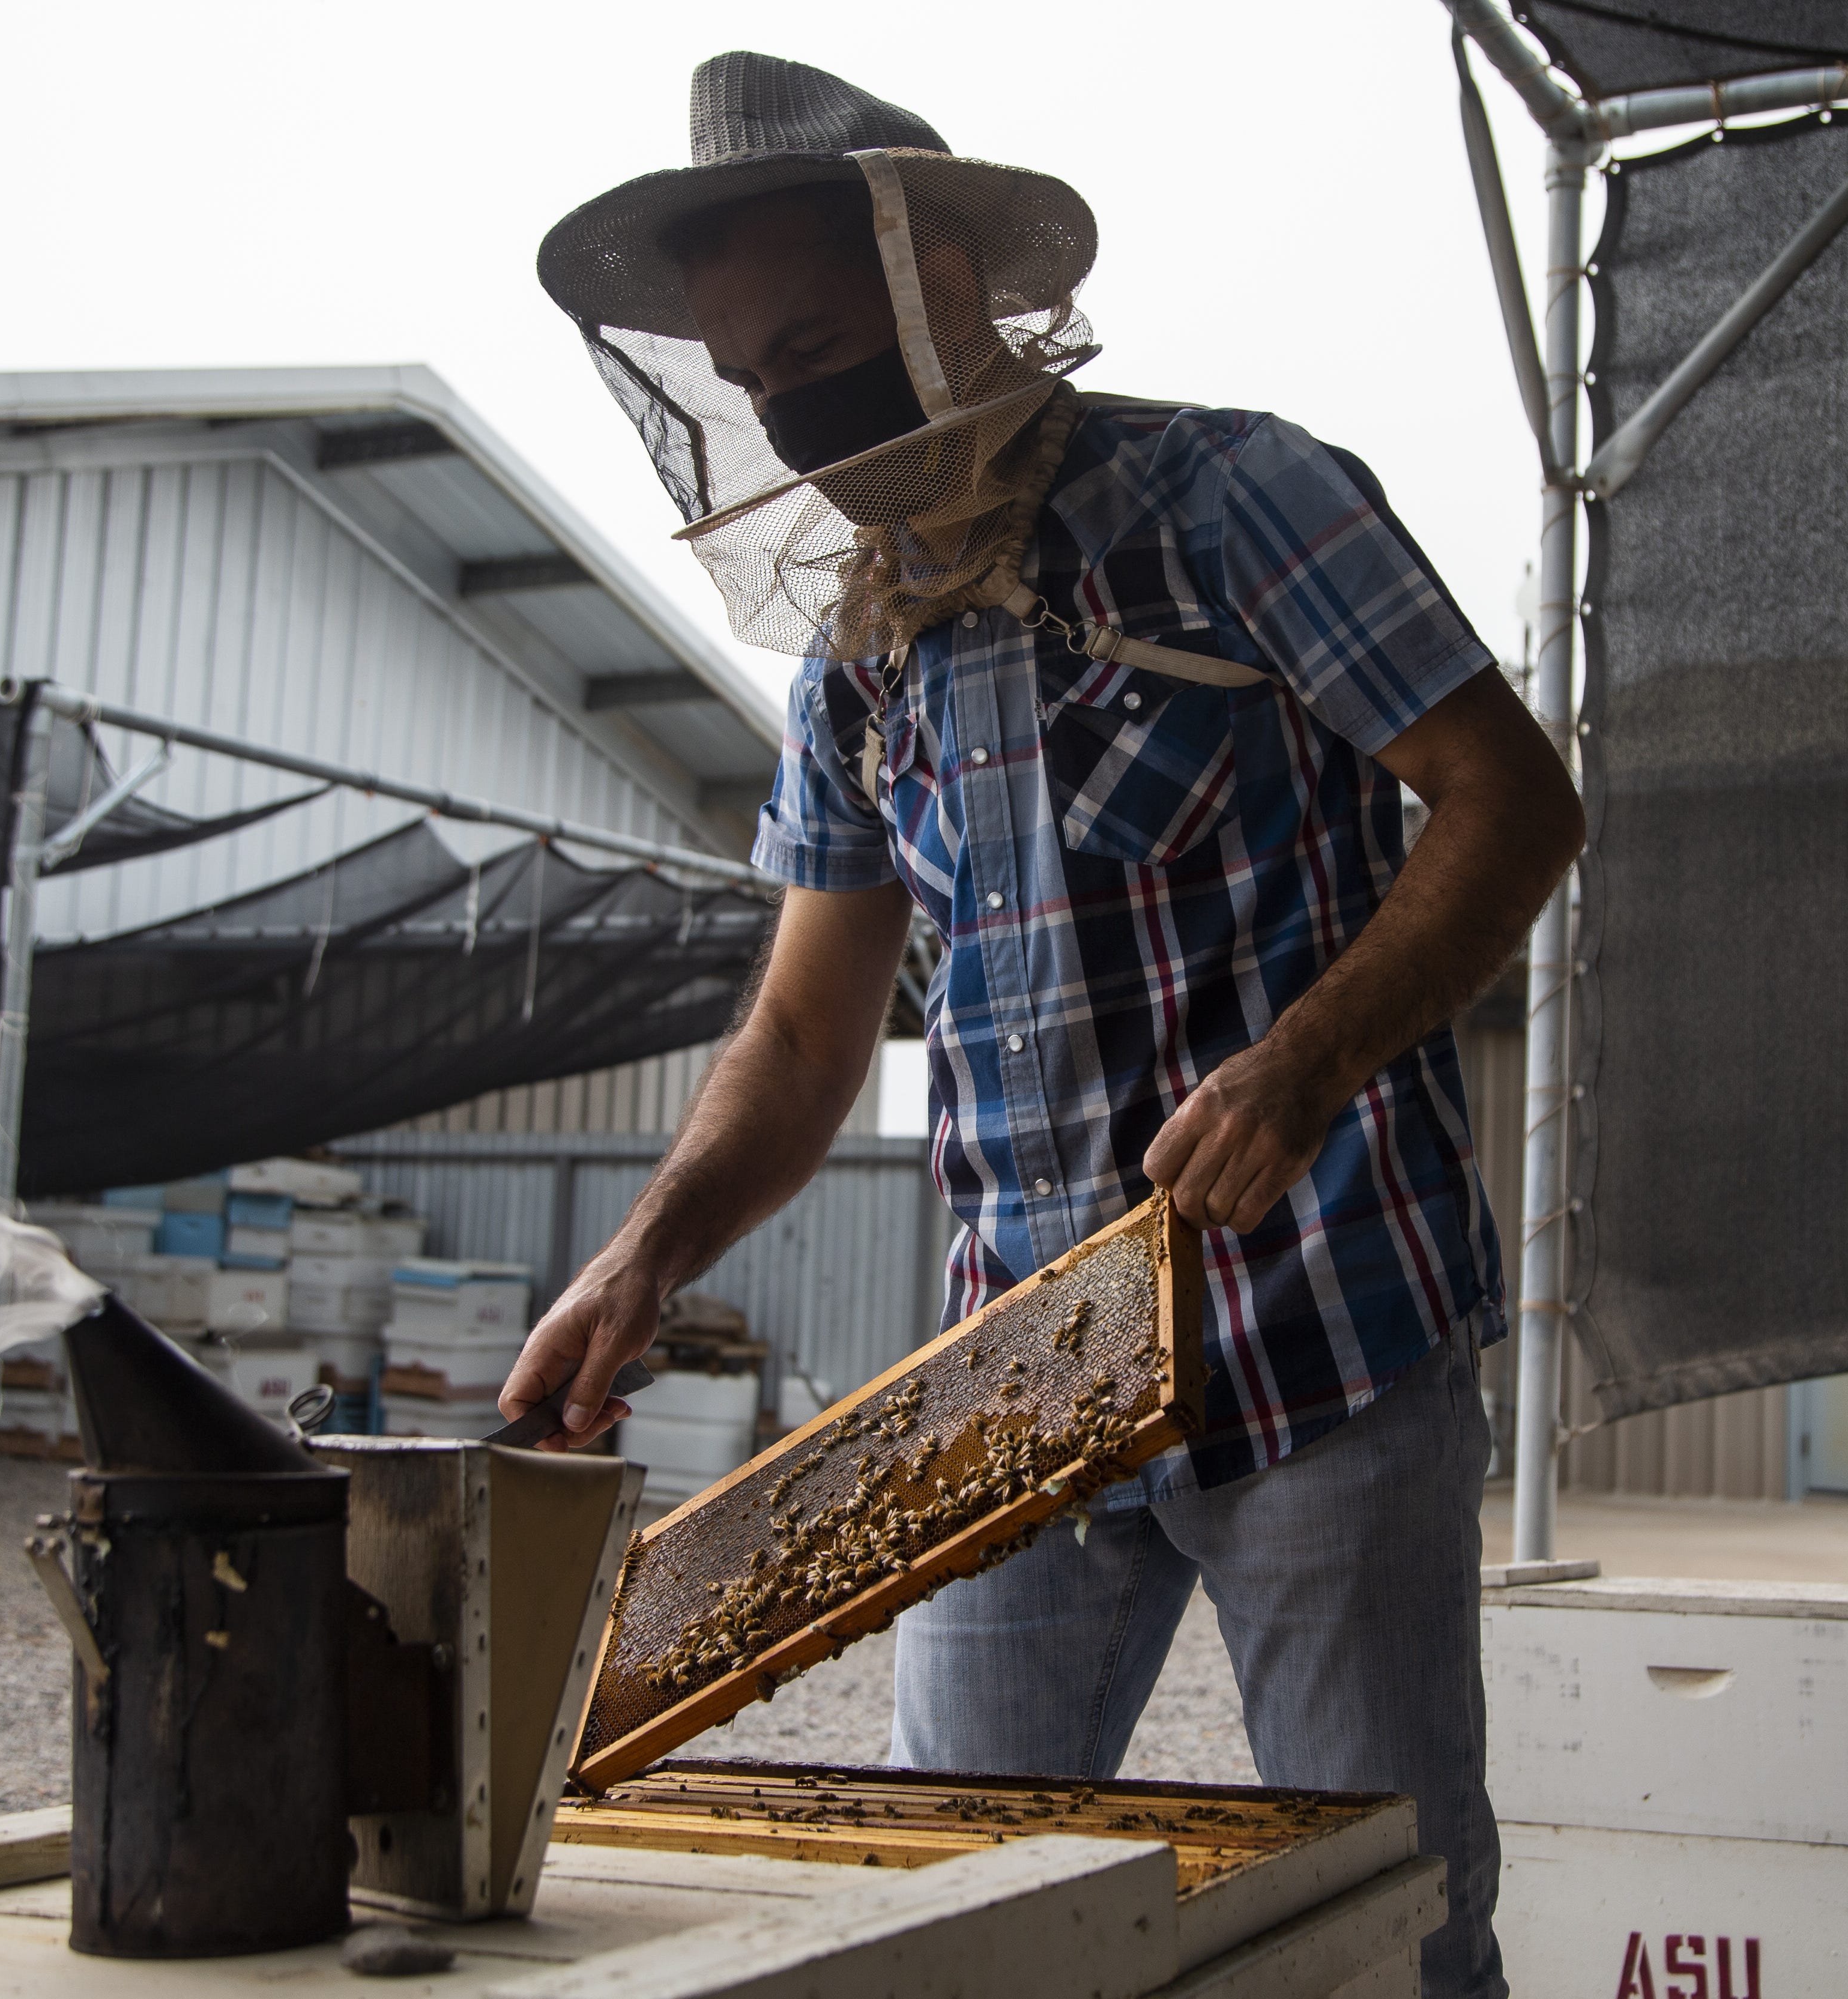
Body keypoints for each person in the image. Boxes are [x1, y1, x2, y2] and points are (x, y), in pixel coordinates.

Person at [512, 52, 1583, 1998]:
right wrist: (643, 1257)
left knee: (1389, 1923)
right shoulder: (859, 652)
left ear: (946, 289)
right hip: (1020, 1384)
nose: (790, 413)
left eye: (820, 346)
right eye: (751, 383)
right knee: (953, 1918)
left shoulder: (1233, 497)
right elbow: (803, 1028)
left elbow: (1512, 798)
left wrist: (1305, 1060)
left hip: (1322, 1334)